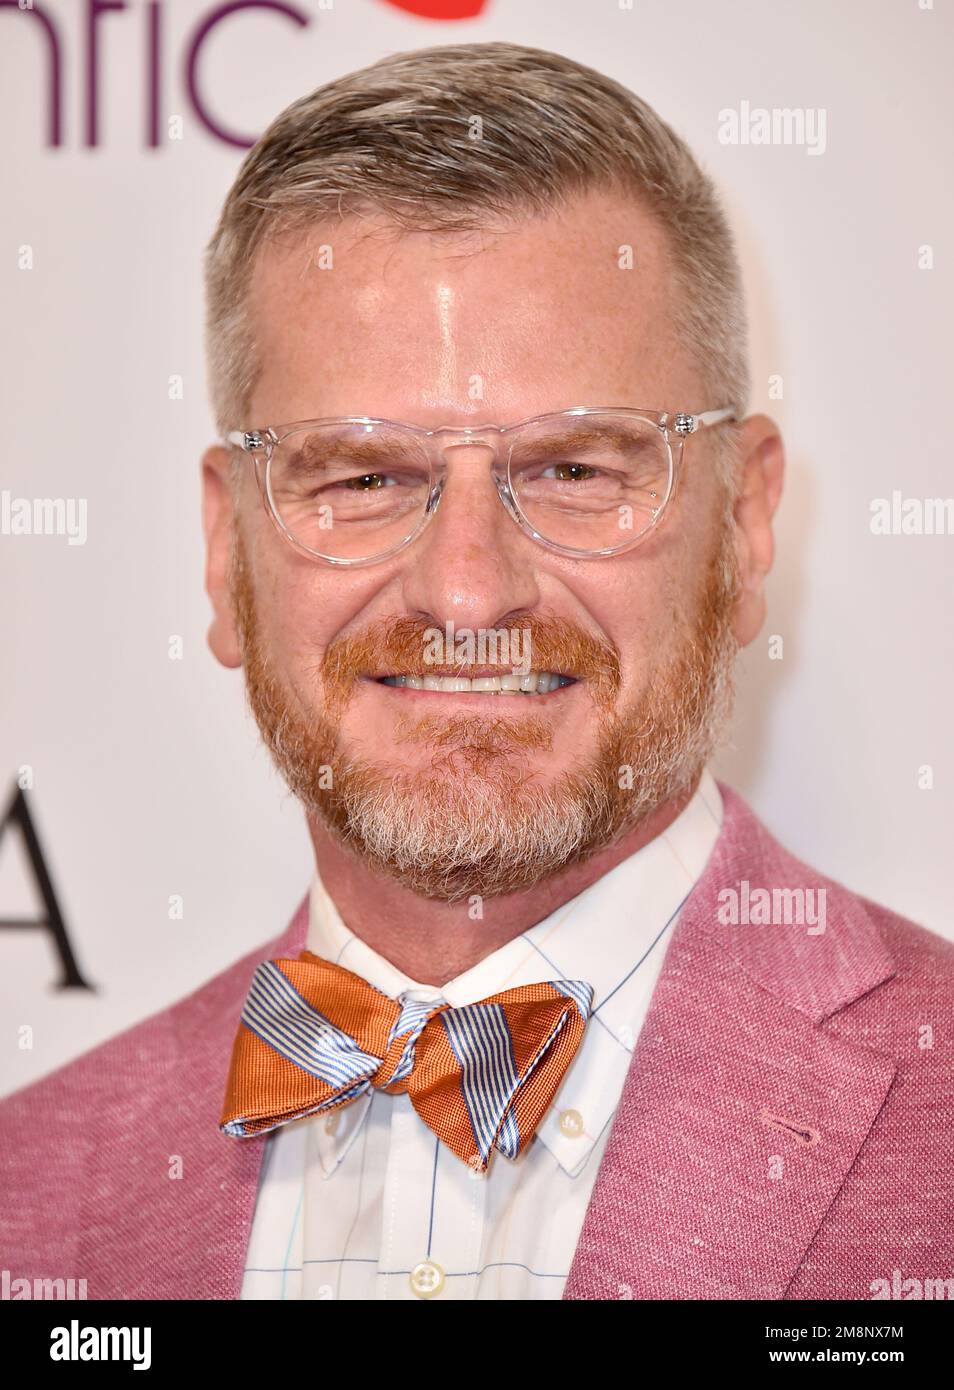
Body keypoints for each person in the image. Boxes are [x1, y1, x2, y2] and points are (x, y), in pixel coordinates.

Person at [2, 41, 951, 1304]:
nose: (466, 591)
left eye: (574, 469)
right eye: (363, 477)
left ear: (744, 521)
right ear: (229, 549)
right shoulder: (32, 1187)